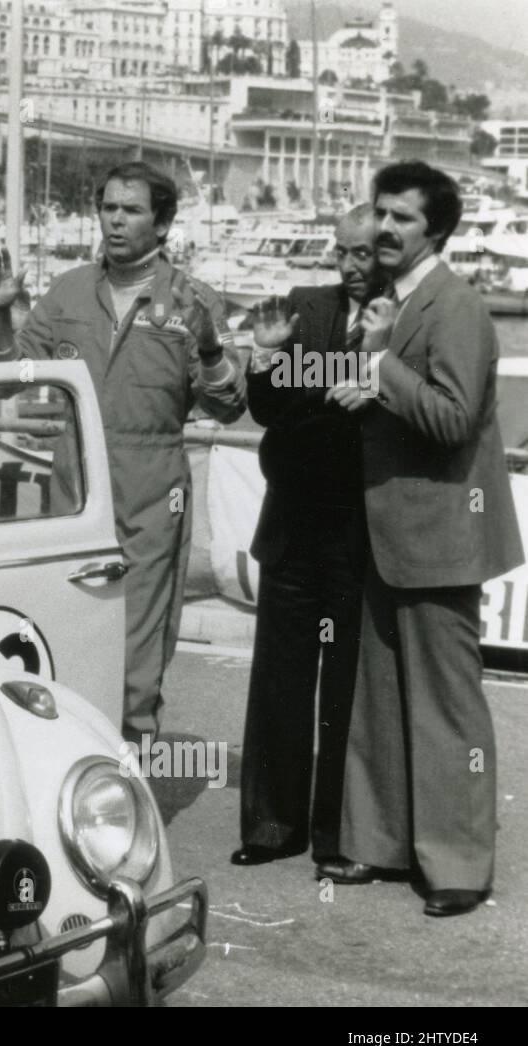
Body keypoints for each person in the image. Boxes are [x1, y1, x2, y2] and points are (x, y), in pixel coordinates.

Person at [0, 161, 246, 745]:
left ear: (163, 222)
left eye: (132, 210)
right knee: (64, 634)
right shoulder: (69, 290)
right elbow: (5, 381)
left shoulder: (194, 300)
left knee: (137, 652)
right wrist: (0, 315)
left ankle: (128, 789)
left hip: (153, 488)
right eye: (108, 208)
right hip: (74, 486)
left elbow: (228, 406)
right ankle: (69, 779)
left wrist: (205, 345)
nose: (115, 221)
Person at [316, 163, 523, 917]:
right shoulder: (392, 301)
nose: (386, 228)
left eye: (402, 217)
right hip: (391, 528)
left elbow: (453, 419)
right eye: (381, 213)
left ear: (436, 230)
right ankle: (380, 843)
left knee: (444, 709)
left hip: (440, 533)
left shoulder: (456, 306)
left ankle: (460, 865)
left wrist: (379, 372)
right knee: (379, 698)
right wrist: (370, 377)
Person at [231, 205, 383, 868]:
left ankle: (337, 835)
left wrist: (313, 390)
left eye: (366, 255)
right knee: (280, 684)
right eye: (343, 252)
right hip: (293, 529)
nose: (351, 267)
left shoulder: (402, 318)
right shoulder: (302, 307)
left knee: (348, 691)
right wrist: (265, 358)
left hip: (361, 535)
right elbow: (267, 408)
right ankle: (274, 824)